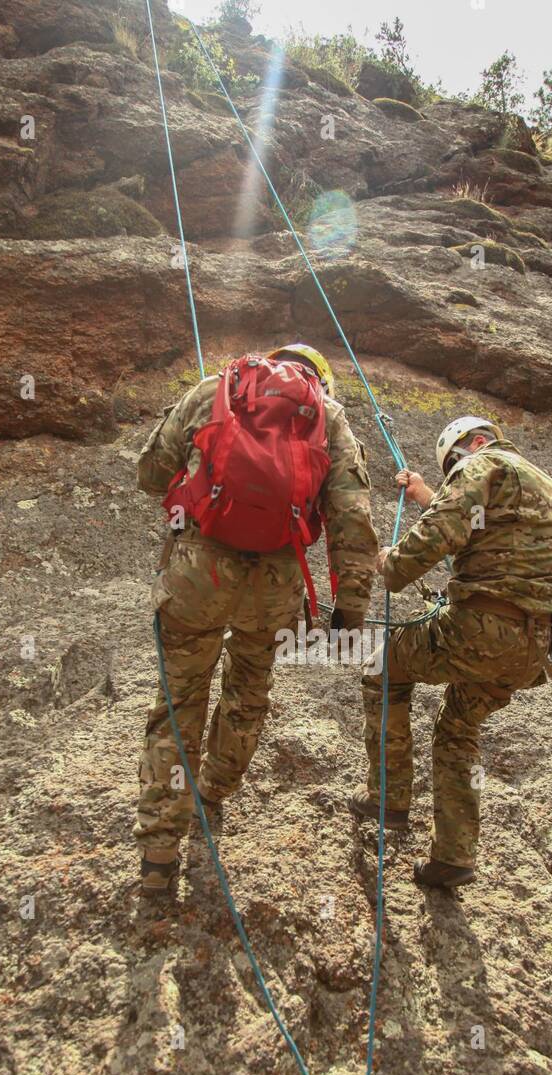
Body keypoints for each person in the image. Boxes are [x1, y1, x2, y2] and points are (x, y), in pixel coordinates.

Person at [135, 343, 378, 908]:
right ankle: (213, 792)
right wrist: (351, 607)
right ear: (320, 381)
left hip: (197, 575)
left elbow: (150, 475)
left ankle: (159, 858)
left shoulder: (217, 388)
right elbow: (351, 514)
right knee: (248, 691)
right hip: (274, 585)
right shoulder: (328, 416)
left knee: (178, 704)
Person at [350, 415, 552, 887]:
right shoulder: (546, 486)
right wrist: (426, 494)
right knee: (458, 728)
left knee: (381, 666)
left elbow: (440, 533)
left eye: (453, 462)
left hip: (481, 628)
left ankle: (388, 797)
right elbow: (488, 536)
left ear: (475, 443)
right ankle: (453, 857)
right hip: (532, 647)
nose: (455, 470)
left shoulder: (481, 464)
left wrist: (392, 563)